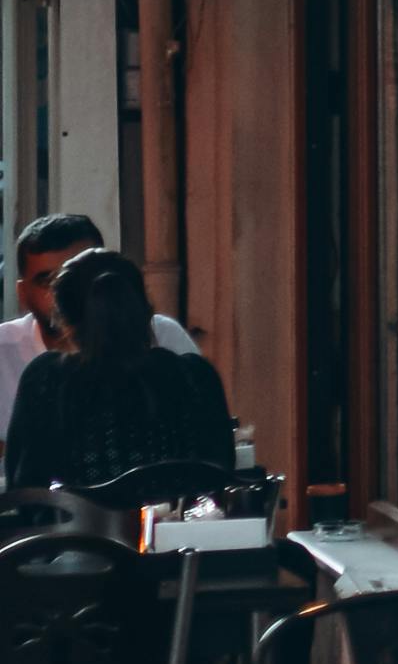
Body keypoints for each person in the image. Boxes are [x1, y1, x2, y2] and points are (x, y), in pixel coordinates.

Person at [2, 250, 234, 500]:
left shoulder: (46, 382)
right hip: (186, 537)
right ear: (146, 311)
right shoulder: (195, 378)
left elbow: (25, 489)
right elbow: (222, 476)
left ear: (63, 321)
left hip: (76, 537)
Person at [0, 213, 196, 455]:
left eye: (80, 277)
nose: (62, 292)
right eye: (47, 280)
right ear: (22, 292)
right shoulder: (10, 354)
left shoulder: (165, 339)